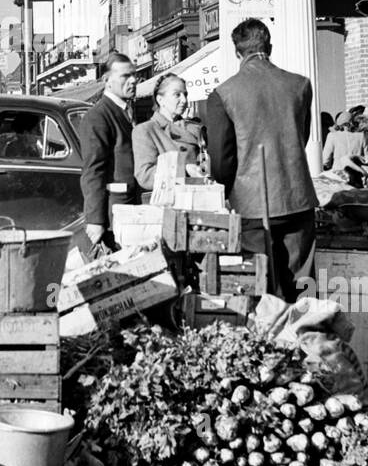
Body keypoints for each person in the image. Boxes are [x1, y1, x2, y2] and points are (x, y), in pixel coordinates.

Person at [205, 17, 315, 303]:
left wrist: (227, 189)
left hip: (251, 203)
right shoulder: (300, 85)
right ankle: (303, 342)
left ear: (237, 52)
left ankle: (271, 343)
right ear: (270, 46)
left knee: (260, 290)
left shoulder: (223, 94)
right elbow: (301, 138)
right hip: (296, 197)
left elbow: (221, 161)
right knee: (300, 289)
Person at [79, 53, 139, 249]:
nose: (133, 81)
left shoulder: (125, 111)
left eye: (134, 75)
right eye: (125, 76)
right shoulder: (98, 116)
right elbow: (93, 170)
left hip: (129, 210)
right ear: (107, 80)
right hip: (114, 215)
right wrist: (95, 220)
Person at [132, 73, 205, 197]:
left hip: (199, 198)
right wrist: (184, 169)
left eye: (185, 94)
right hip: (168, 203)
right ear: (160, 100)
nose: (184, 100)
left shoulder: (196, 129)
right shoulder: (146, 130)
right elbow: (145, 175)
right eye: (177, 95)